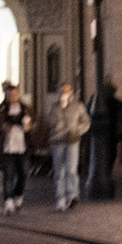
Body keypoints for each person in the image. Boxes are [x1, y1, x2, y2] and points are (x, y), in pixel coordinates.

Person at [46, 82, 91, 210]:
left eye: (66, 91)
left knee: (71, 169)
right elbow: (50, 122)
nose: (64, 93)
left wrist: (78, 131)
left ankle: (72, 195)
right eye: (62, 91)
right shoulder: (55, 107)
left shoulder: (78, 106)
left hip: (73, 140)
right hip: (58, 141)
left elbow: (86, 121)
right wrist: (61, 108)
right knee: (59, 171)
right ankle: (60, 198)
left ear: (71, 92)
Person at [0, 82, 32, 212]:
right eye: (9, 95)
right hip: (7, 148)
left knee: (23, 174)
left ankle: (18, 194)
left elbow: (34, 122)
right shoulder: (0, 109)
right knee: (8, 175)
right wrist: (2, 127)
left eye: (14, 94)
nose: (12, 97)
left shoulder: (25, 109)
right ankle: (8, 201)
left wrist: (30, 127)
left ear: (18, 94)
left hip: (22, 147)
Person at [100, 82, 122, 170]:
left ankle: (106, 171)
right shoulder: (117, 103)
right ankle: (107, 171)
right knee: (111, 154)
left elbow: (121, 117)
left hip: (108, 132)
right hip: (111, 132)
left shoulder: (102, 103)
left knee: (107, 153)